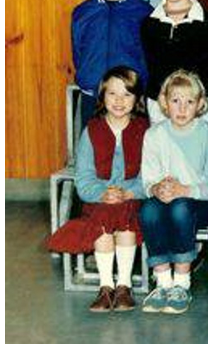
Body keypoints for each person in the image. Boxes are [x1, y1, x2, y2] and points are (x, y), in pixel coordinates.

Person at [46, 66, 150, 313]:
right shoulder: (91, 130)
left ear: (137, 99)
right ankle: (106, 286)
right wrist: (102, 193)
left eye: (126, 94)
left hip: (133, 197)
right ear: (102, 96)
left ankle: (123, 285)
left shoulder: (145, 130)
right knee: (103, 216)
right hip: (98, 198)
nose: (119, 101)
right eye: (112, 94)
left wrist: (131, 192)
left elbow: (151, 173)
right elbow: (83, 178)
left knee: (124, 215)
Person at [138, 70, 208, 315]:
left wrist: (185, 190)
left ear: (200, 104)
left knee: (180, 207)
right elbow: (148, 179)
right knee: (148, 210)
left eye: (189, 101)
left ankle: (181, 283)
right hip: (165, 198)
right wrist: (157, 188)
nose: (182, 108)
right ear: (164, 102)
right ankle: (163, 281)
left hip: (200, 203)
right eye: (175, 100)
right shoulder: (154, 134)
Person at [72, 0, 152, 132]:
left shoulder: (144, 12)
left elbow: (149, 56)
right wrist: (89, 79)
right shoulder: (82, 12)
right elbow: (77, 53)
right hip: (93, 94)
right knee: (94, 153)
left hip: (130, 97)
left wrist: (138, 87)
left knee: (133, 155)